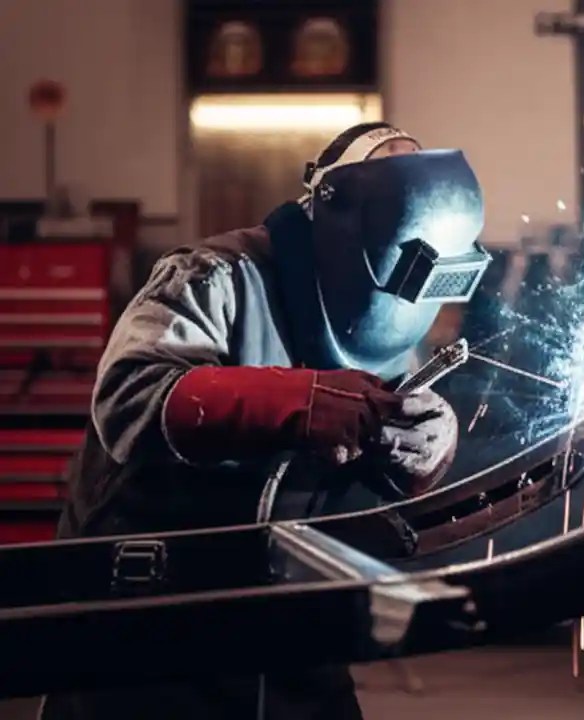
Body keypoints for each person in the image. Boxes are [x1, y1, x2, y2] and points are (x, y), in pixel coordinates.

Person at [41, 122, 490, 720]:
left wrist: (420, 444)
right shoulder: (213, 276)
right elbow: (128, 396)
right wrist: (296, 401)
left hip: (287, 612)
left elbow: (379, 433)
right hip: (147, 618)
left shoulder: (384, 317)